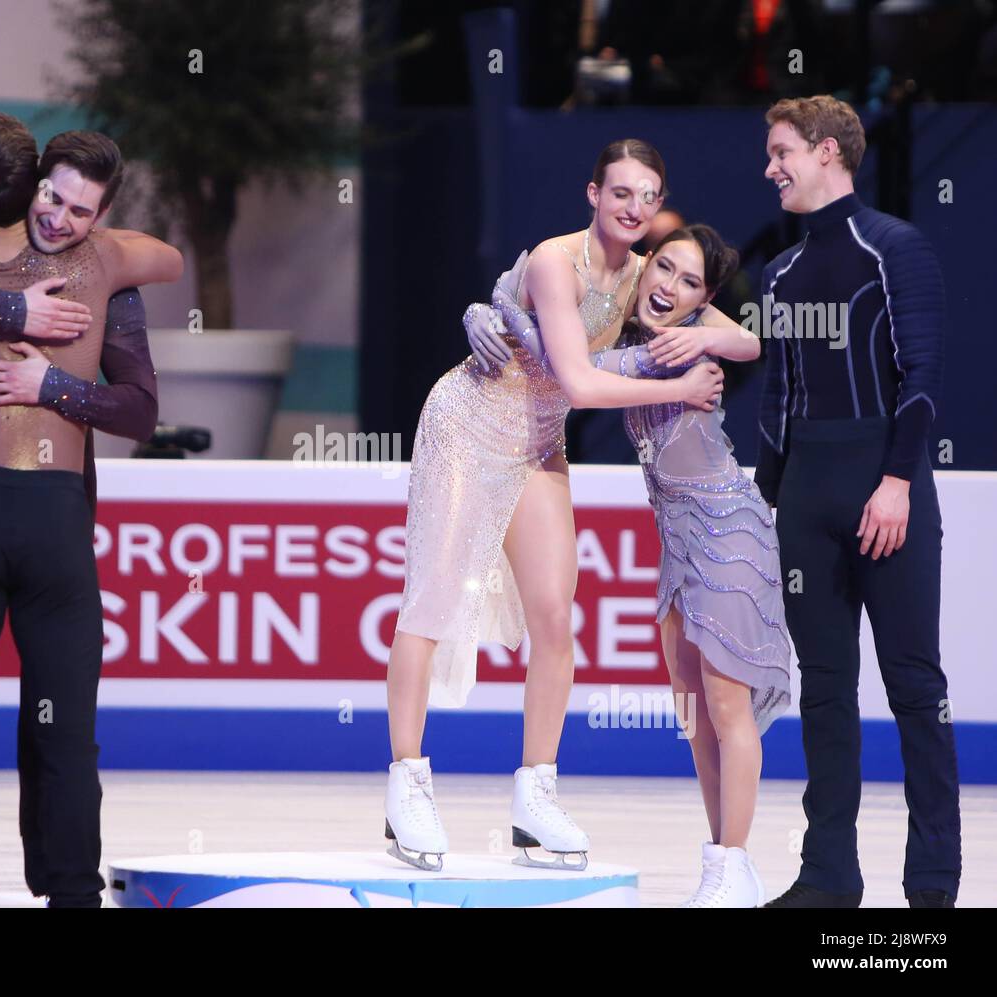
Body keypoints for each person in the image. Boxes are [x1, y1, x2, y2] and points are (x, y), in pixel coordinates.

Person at [384, 140, 728, 873]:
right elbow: (579, 384)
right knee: (433, 603)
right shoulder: (552, 260)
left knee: (553, 616)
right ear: (592, 194)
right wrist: (680, 383)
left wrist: (705, 335)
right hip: (468, 426)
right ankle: (407, 781)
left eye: (648, 195)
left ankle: (534, 797)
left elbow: (741, 335)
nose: (633, 209)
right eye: (620, 194)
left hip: (537, 444)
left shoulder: (648, 274)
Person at [0, 128, 182, 907]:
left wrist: (48, 385)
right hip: (28, 523)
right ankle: (48, 889)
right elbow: (170, 259)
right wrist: (27, 311)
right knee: (21, 726)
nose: (61, 218)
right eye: (53, 195)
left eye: (83, 212)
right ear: (32, 182)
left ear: (101, 214)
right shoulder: (99, 266)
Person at [473, 224, 791, 905]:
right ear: (645, 267)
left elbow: (751, 340)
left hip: (729, 530)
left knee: (728, 705)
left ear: (703, 298)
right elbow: (563, 361)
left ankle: (730, 862)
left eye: (689, 284)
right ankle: (728, 862)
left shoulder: (687, 336)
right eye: (664, 269)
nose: (669, 288)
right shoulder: (621, 341)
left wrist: (707, 336)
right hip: (676, 545)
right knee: (695, 712)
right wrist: (493, 313)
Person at [754, 95, 959, 908]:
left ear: (829, 151)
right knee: (826, 690)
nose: (770, 168)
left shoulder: (896, 249)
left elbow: (922, 378)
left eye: (781, 152)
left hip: (886, 486)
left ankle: (933, 885)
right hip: (807, 494)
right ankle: (829, 876)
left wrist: (900, 480)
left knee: (914, 685)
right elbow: (779, 397)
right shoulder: (779, 273)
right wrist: (766, 502)